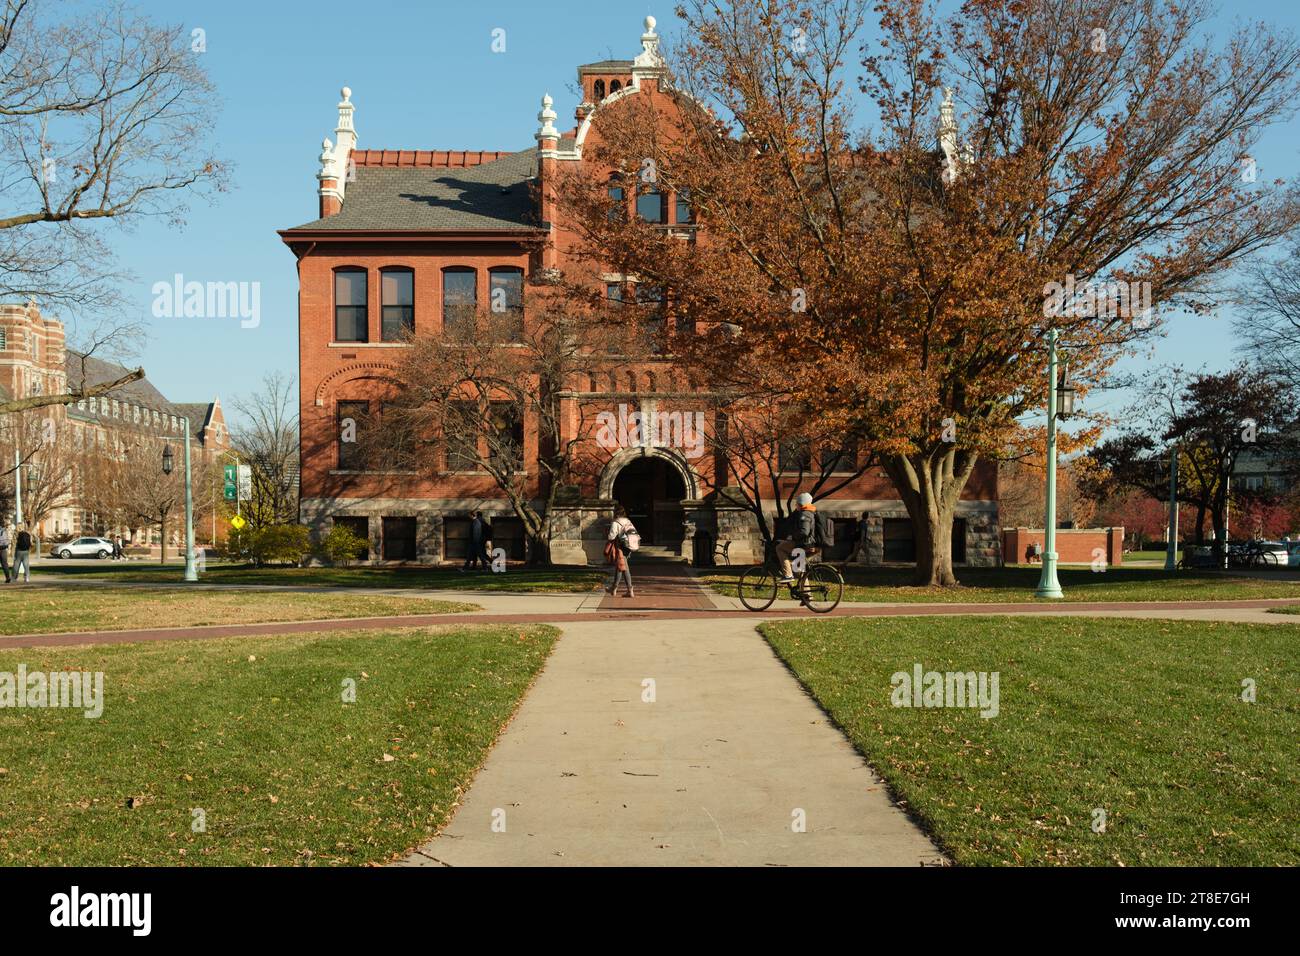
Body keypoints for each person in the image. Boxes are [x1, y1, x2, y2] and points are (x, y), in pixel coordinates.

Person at [776, 493, 819, 585]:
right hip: (808, 544)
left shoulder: (804, 514)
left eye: (797, 504)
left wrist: (792, 537)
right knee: (798, 569)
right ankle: (807, 596)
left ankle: (788, 575)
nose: (796, 506)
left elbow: (804, 532)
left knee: (780, 548)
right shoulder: (811, 512)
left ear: (801, 504)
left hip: (803, 545)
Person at [605, 505, 637, 598]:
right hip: (629, 546)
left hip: (620, 546)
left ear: (616, 513)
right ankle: (614, 589)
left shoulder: (616, 523)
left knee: (623, 567)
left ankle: (629, 590)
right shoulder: (628, 521)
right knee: (620, 566)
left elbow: (611, 536)